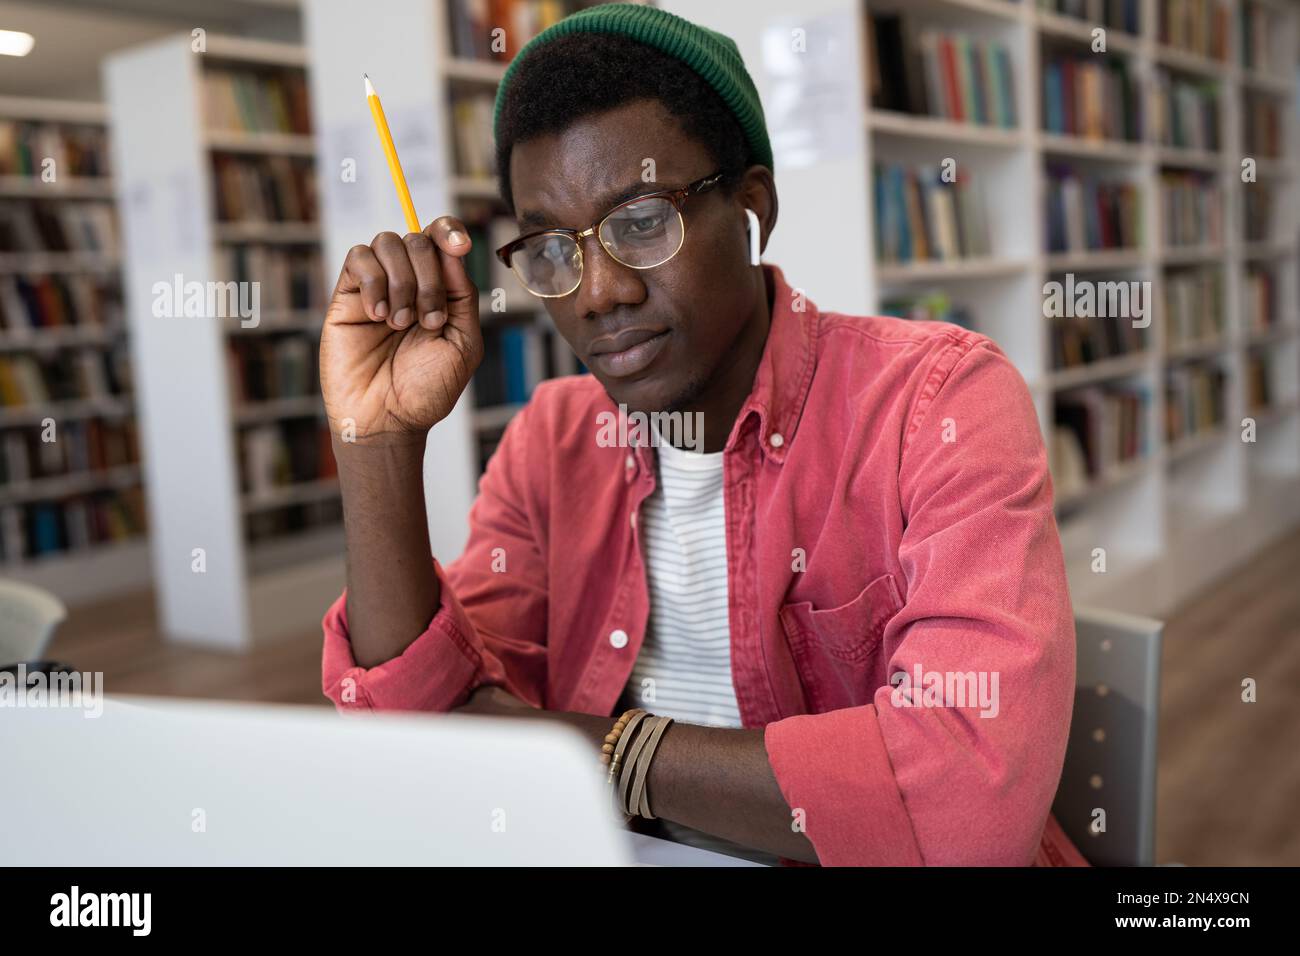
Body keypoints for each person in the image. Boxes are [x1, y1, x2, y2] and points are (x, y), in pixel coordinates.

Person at [318, 3, 1087, 867]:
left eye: (643, 221)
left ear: (752, 205)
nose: (598, 292)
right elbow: (425, 740)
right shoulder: (554, 439)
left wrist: (598, 752)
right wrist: (375, 442)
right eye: (552, 250)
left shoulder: (936, 404)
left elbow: (965, 807)